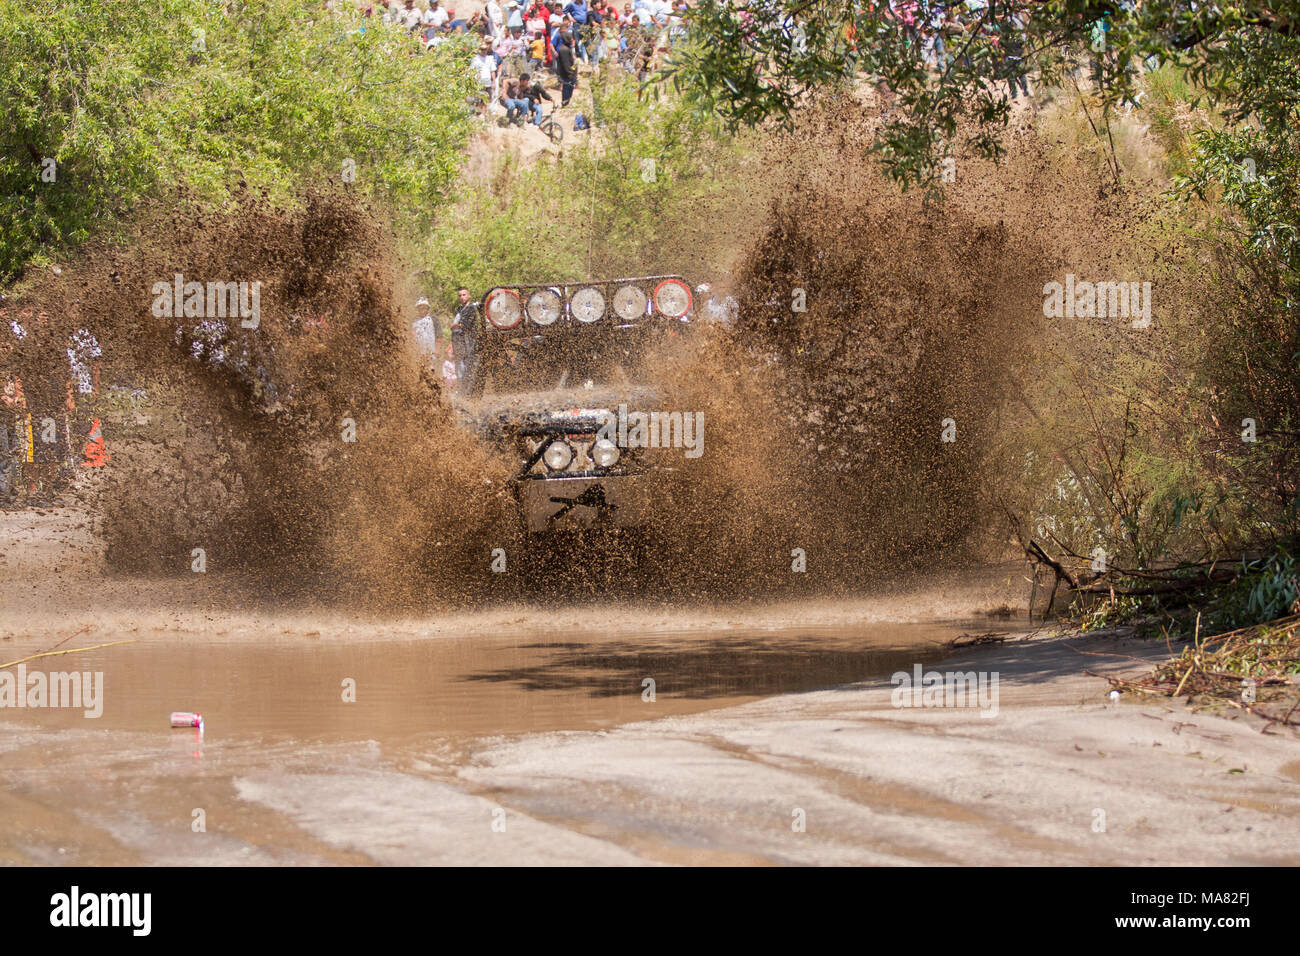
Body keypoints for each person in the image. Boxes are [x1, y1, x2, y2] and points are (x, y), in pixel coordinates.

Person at [451, 287, 479, 389]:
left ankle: (469, 389)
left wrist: (456, 325)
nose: (462, 297)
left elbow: (466, 325)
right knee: (459, 366)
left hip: (469, 342)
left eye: (464, 295)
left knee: (468, 366)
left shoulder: (471, 308)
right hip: (458, 342)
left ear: (469, 296)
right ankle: (462, 388)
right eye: (460, 295)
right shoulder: (459, 310)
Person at [555, 29, 578, 106]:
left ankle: (567, 101)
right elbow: (565, 62)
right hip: (567, 72)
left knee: (570, 87)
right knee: (567, 87)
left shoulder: (567, 48)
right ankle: (565, 102)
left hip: (570, 71)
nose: (572, 40)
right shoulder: (564, 49)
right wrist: (569, 72)